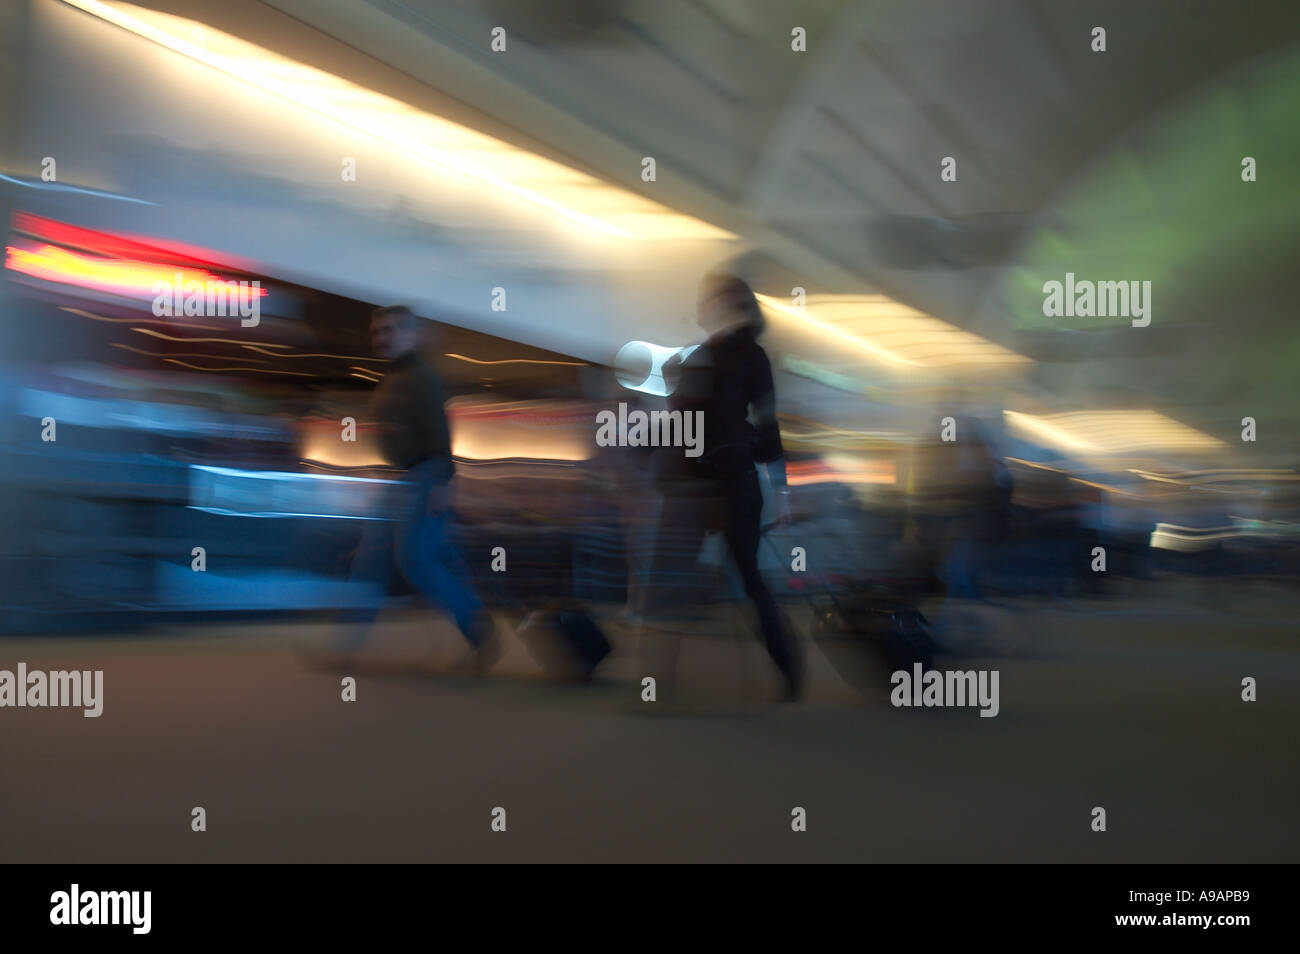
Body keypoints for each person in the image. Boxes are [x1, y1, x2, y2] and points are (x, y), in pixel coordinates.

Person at [646, 274, 804, 701]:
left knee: (673, 578)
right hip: (730, 483)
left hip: (704, 486)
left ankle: (658, 683)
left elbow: (683, 428)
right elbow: (766, 430)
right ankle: (788, 670)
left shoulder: (702, 359)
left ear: (725, 306)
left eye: (708, 300)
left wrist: (679, 477)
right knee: (748, 580)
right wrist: (780, 489)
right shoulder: (743, 357)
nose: (701, 307)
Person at [336, 305, 499, 670]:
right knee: (373, 559)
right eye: (378, 331)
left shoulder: (421, 377)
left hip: (425, 475)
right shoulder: (393, 376)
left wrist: (443, 481)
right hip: (403, 478)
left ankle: (477, 626)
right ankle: (346, 645)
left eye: (392, 329)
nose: (383, 337)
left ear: (411, 334)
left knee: (415, 558)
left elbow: (439, 432)